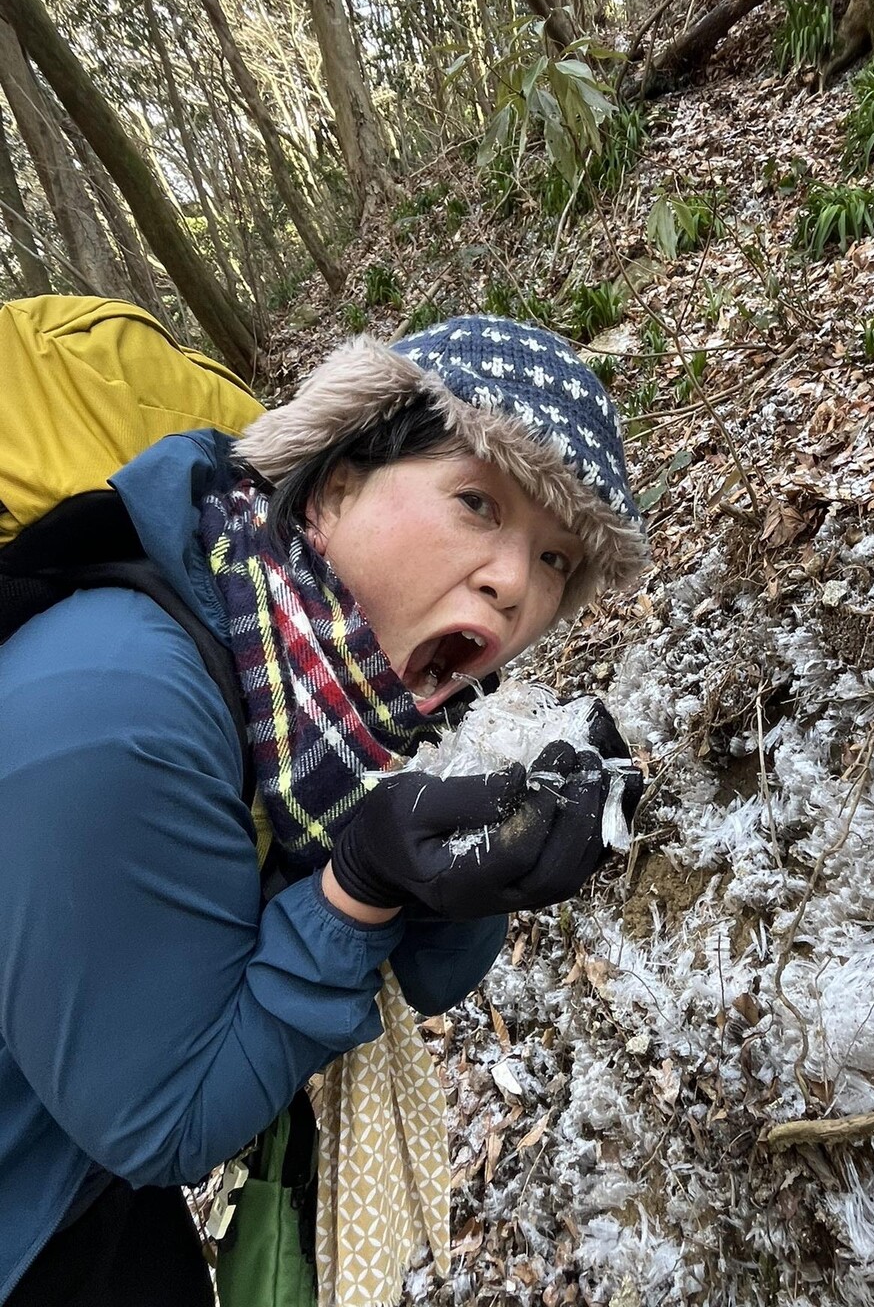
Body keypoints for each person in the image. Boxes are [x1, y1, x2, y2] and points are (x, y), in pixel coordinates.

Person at [0, 315, 647, 1305]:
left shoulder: (349, 701)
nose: (516, 584)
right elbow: (166, 1122)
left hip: (74, 1169)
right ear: (338, 478)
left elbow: (424, 981)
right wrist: (358, 889)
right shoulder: (117, 714)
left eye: (558, 560)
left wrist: (475, 868)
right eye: (477, 502)